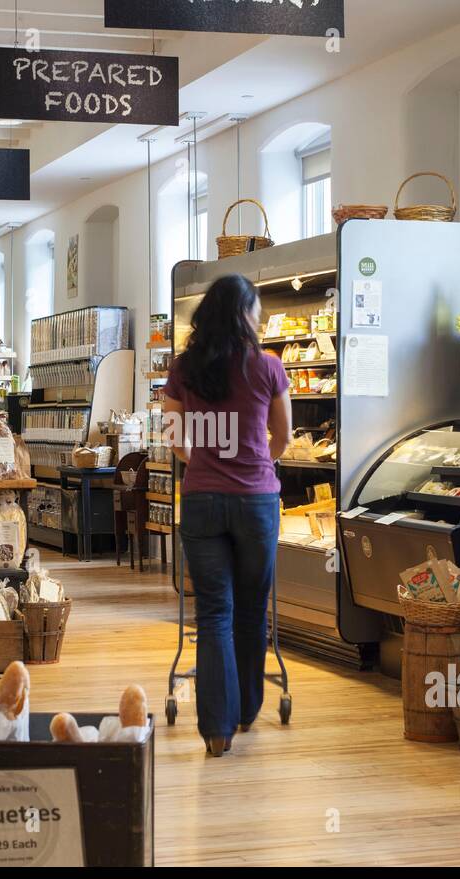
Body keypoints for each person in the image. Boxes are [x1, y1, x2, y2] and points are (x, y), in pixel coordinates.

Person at [162, 274, 292, 757]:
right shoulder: (268, 367)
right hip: (257, 502)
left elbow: (176, 440)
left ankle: (217, 730)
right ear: (243, 314)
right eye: (255, 309)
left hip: (202, 501)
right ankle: (245, 711)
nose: (258, 317)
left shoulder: (184, 369)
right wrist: (254, 463)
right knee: (251, 611)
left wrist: (207, 464)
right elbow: (283, 438)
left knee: (213, 612)